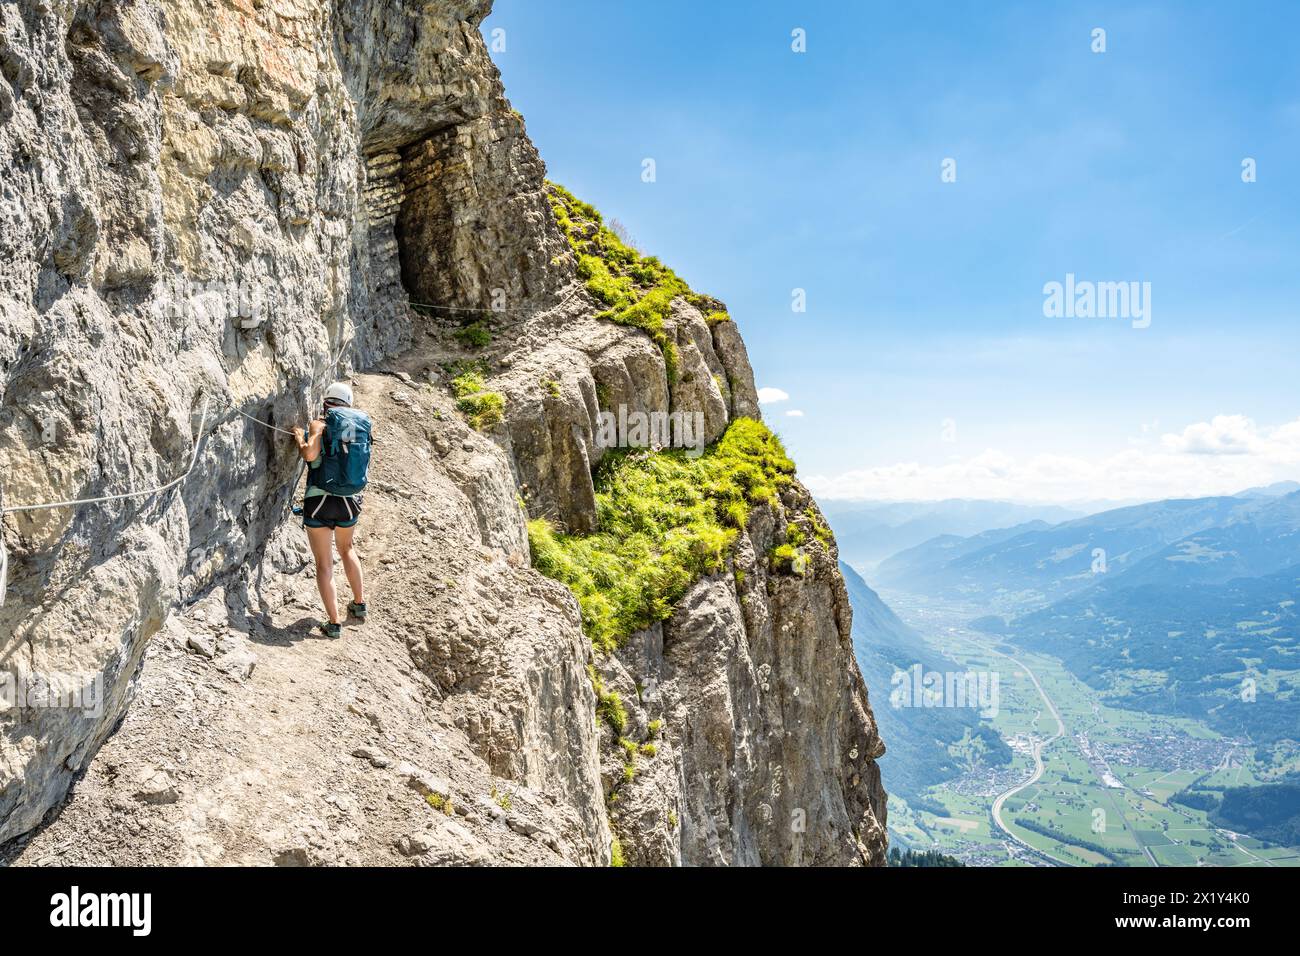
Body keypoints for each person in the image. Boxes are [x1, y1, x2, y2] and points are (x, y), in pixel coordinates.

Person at [294, 381, 372, 638]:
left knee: (324, 564)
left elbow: (309, 455)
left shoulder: (321, 423)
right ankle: (359, 605)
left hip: (319, 501)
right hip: (350, 500)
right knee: (347, 549)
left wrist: (298, 436)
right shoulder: (358, 427)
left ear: (326, 401)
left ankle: (334, 622)